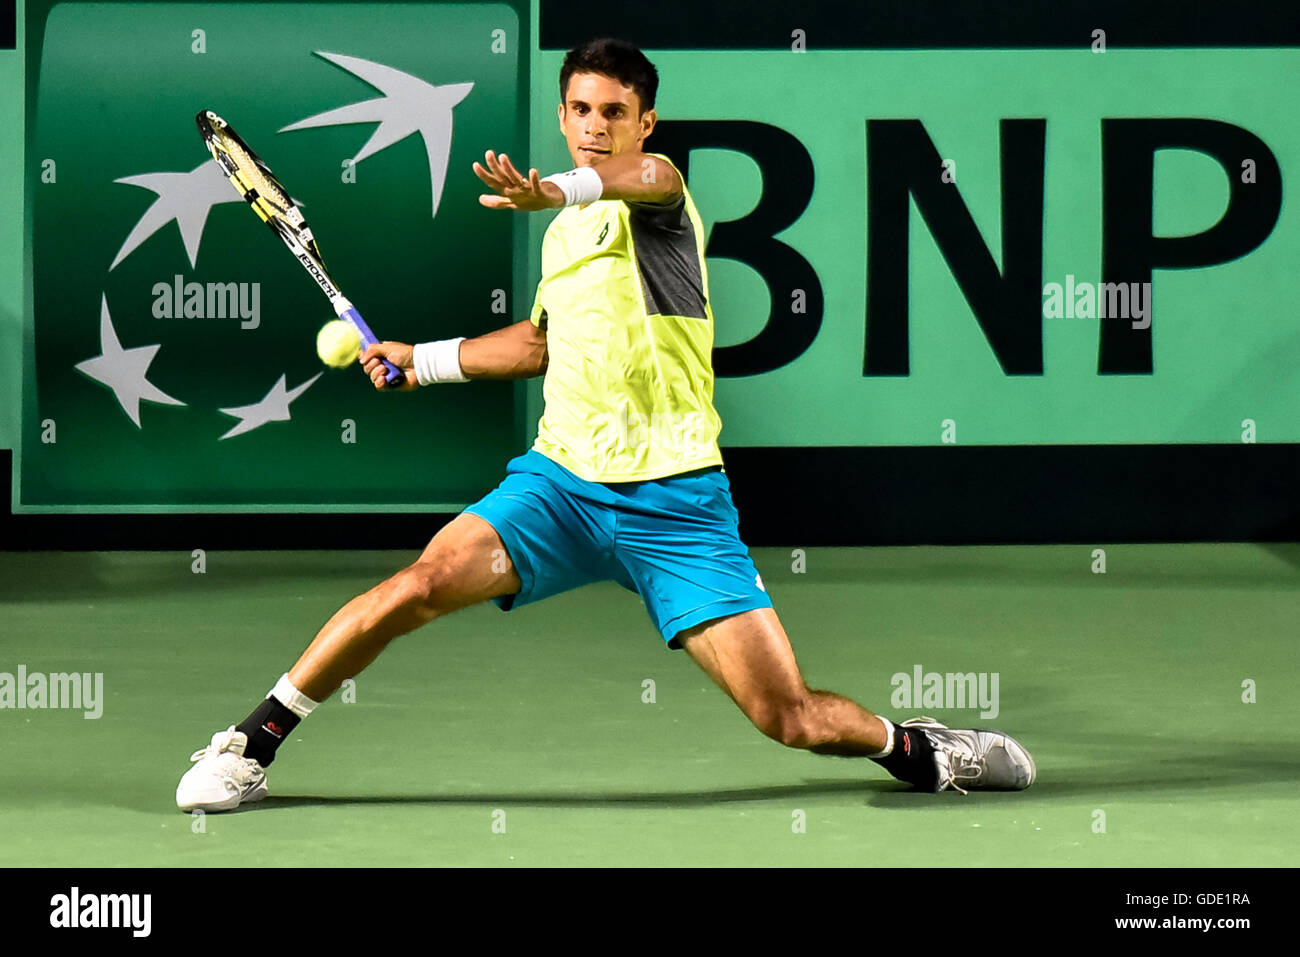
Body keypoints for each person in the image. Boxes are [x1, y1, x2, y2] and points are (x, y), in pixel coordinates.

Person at [176, 38, 1034, 813]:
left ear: (644, 122)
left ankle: (922, 749)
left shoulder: (655, 196)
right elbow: (540, 343)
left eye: (614, 113)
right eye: (581, 110)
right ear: (562, 113)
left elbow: (648, 178)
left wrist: (551, 185)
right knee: (416, 586)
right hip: (562, 484)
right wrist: (423, 358)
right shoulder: (564, 235)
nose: (595, 127)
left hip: (678, 500)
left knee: (792, 717)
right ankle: (253, 741)